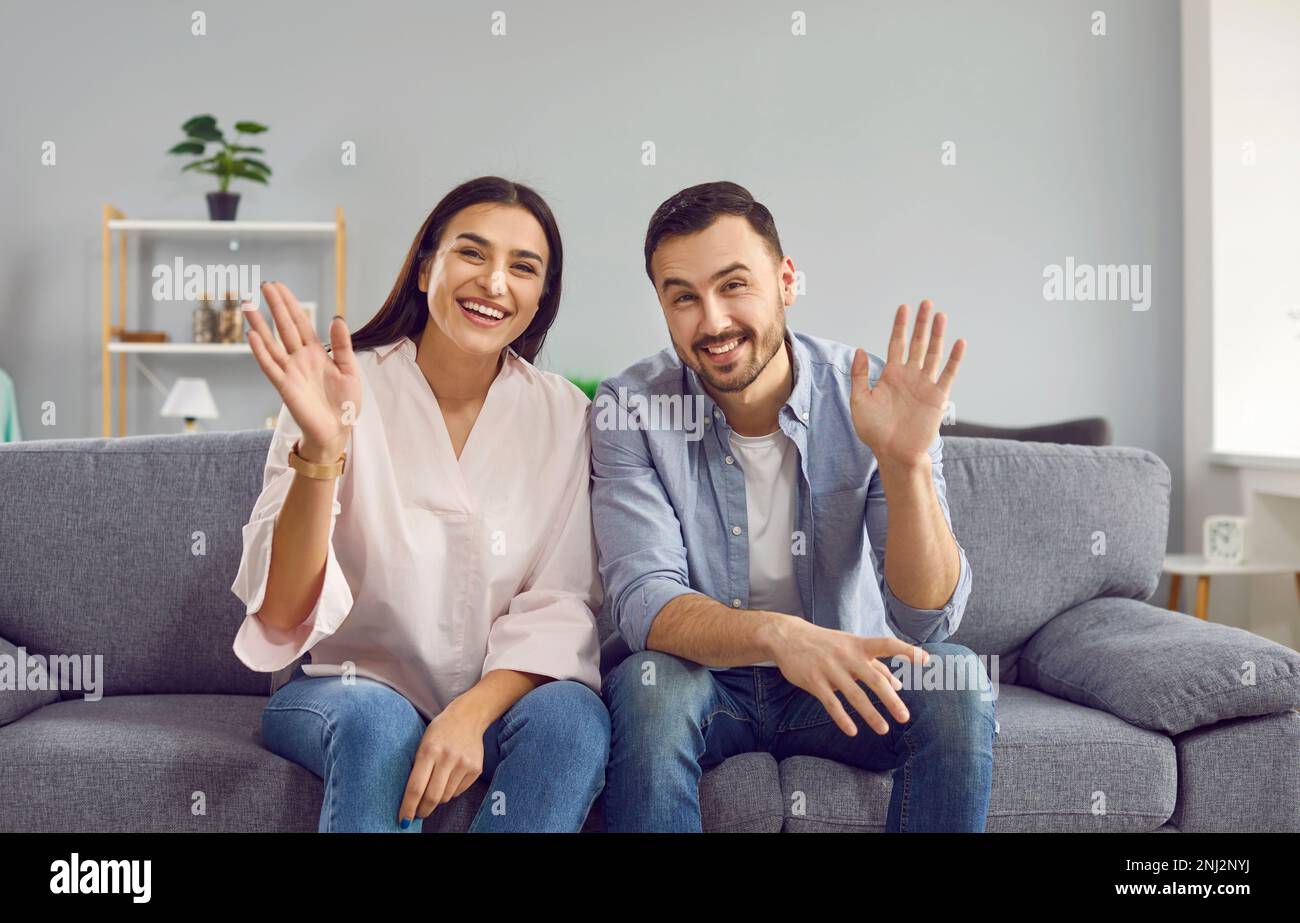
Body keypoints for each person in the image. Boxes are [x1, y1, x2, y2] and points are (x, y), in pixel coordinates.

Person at [591, 181, 996, 832]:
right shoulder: (631, 408)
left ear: (786, 280)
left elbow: (926, 620)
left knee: (953, 675)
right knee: (649, 684)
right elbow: (645, 604)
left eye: (734, 285)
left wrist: (905, 463)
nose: (714, 320)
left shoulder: (866, 397)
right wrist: (781, 637)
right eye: (684, 297)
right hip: (707, 681)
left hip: (844, 681)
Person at [229, 176, 608, 833]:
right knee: (381, 723)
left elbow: (561, 598)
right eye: (472, 252)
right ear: (426, 265)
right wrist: (323, 448)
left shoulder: (562, 414)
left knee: (573, 719)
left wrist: (472, 711)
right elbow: (284, 609)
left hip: (493, 700)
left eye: (523, 267)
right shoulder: (341, 387)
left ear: (542, 296)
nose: (495, 282)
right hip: (342, 689)